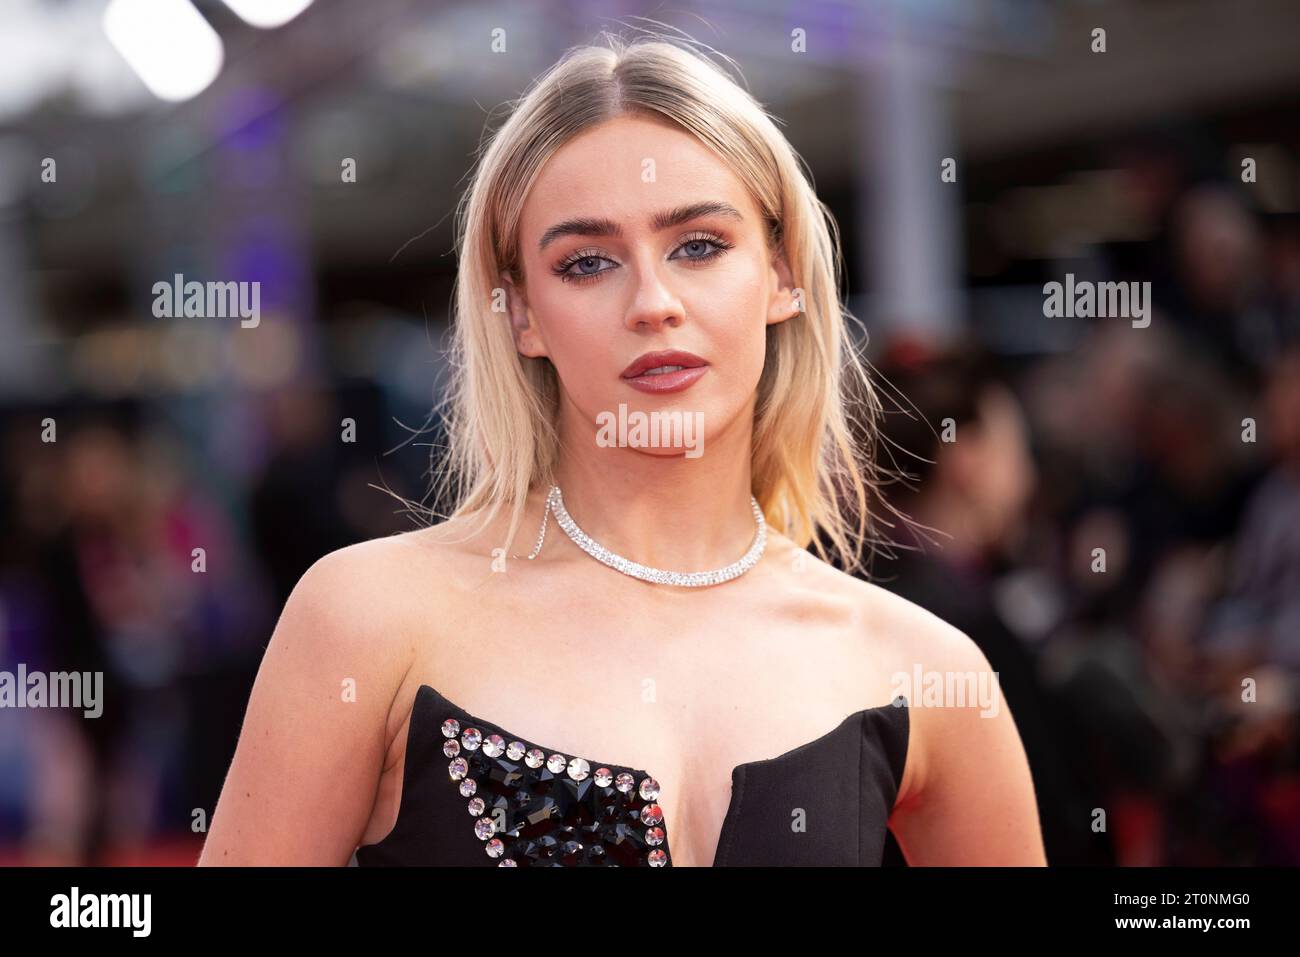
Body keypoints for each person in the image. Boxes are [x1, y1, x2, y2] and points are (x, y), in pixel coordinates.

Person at [198, 31, 1045, 867]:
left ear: (782, 273)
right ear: (521, 313)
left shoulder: (920, 666)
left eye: (700, 245)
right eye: (587, 262)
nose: (653, 301)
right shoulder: (367, 618)